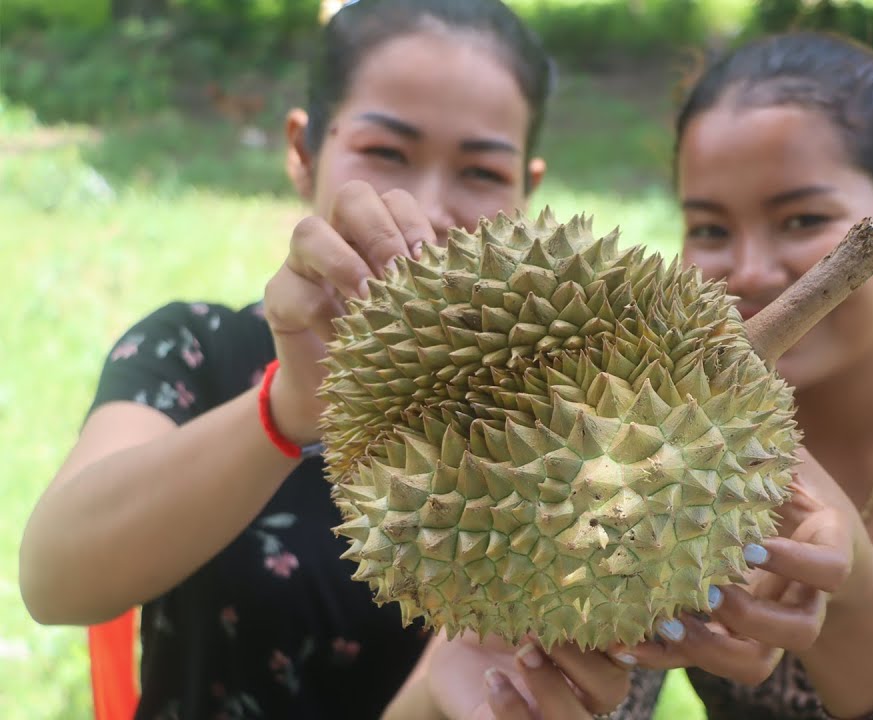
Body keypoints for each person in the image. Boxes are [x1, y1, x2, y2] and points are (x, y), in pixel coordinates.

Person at [400, 30, 873, 720]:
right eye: (711, 229)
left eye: (802, 220)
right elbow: (598, 683)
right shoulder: (657, 443)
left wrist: (856, 599)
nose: (749, 271)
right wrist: (521, 664)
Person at [15, 1, 599, 717]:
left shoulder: (568, 419)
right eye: (387, 152)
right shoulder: (195, 347)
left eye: (481, 171)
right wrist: (288, 407)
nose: (429, 206)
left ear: (526, 191)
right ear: (303, 151)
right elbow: (53, 581)